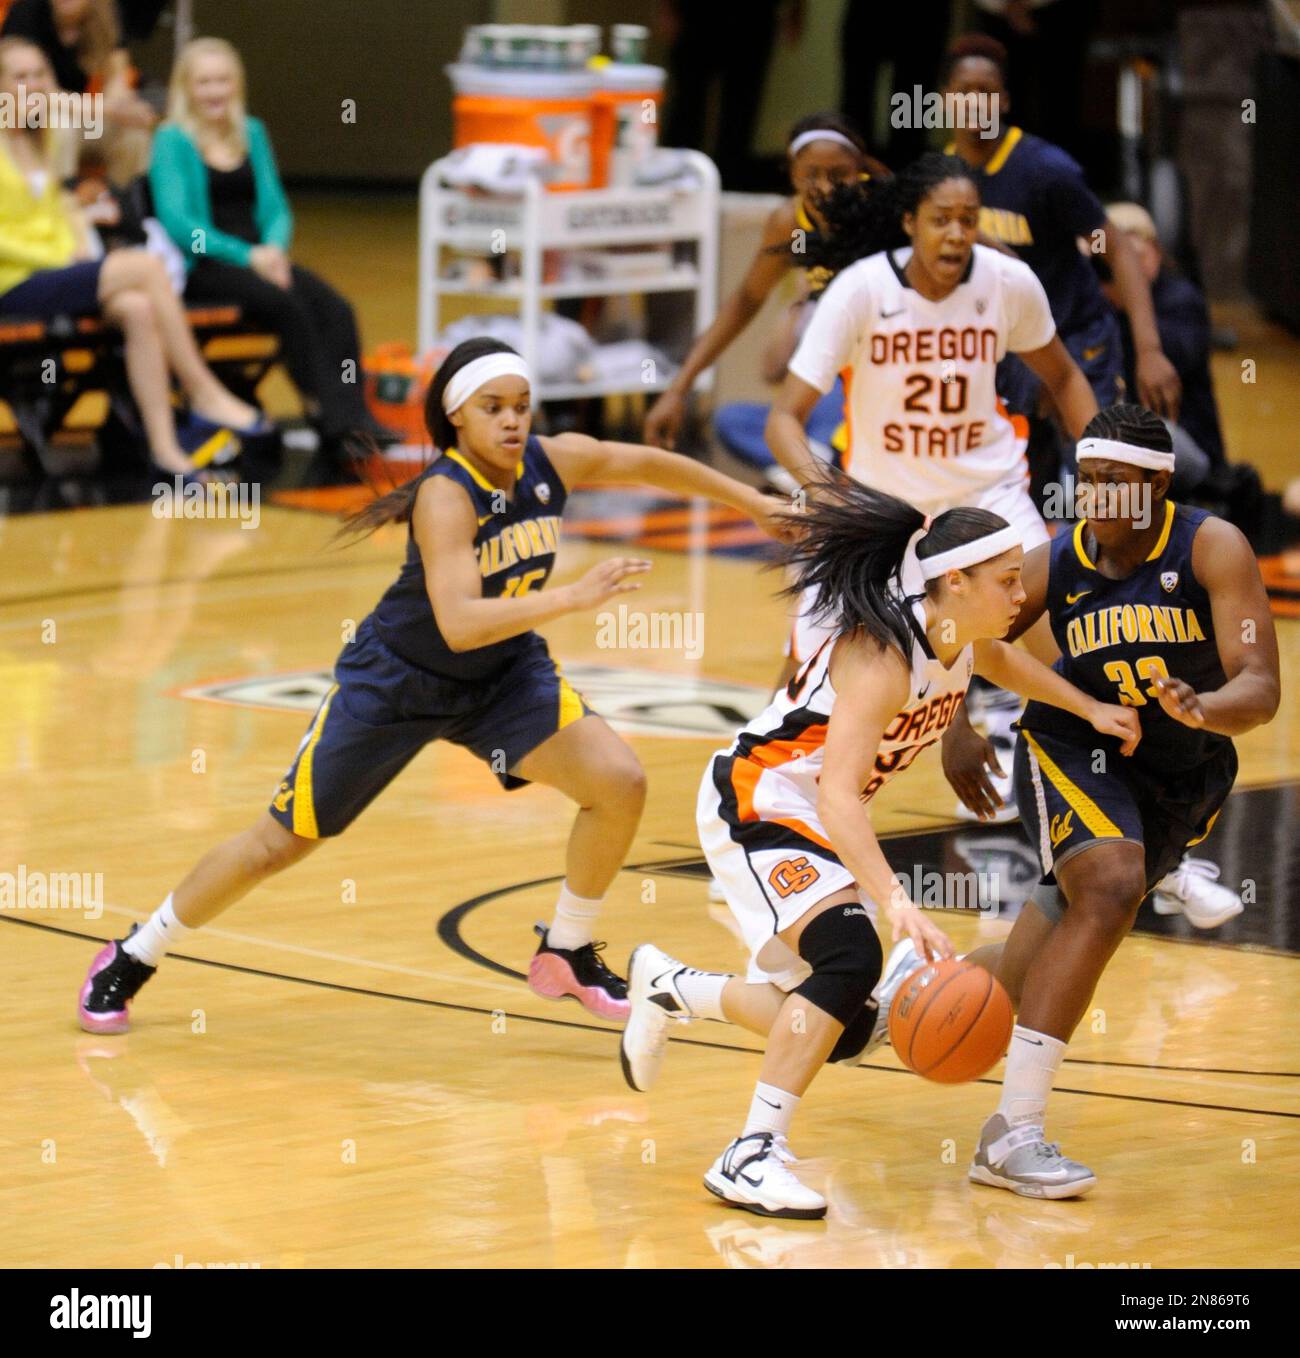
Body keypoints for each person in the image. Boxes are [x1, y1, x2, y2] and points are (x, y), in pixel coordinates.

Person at [76, 338, 791, 1035]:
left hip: (503, 675)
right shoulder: (445, 495)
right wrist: (572, 598)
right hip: (397, 683)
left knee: (619, 782)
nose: (513, 421)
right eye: (493, 408)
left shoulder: (549, 461)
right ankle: (136, 952)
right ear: (457, 417)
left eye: (521, 406)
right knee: (277, 845)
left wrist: (751, 501)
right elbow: (458, 624)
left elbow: (647, 463)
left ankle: (567, 949)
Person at [617, 474, 1140, 1220]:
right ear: (954, 582)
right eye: (1006, 581)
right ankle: (749, 1153)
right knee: (851, 958)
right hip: (761, 799)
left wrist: (1089, 706)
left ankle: (671, 986)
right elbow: (832, 793)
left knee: (851, 1024)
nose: (1022, 594)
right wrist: (895, 902)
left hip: (816, 815)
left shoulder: (960, 636)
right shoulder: (882, 653)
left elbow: (999, 661)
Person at [930, 404, 1280, 1195]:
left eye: (1113, 482)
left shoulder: (1212, 547)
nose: (1093, 496)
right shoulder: (1057, 560)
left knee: (1027, 969)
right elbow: (965, 633)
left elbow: (1262, 688)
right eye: (1085, 479)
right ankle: (1012, 1134)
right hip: (1071, 746)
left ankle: (890, 1004)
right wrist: (955, 724)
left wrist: (1204, 707)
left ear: (1157, 484)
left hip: (1178, 770)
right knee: (1115, 883)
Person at [767, 152, 1098, 814]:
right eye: (941, 219)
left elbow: (1062, 375)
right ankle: (766, 811)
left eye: (968, 220)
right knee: (807, 680)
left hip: (989, 497)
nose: (955, 233)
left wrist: (1100, 469)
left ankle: (1112, 816)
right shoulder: (862, 290)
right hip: (884, 511)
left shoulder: (1007, 283)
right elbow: (783, 417)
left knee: (1061, 643)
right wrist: (826, 498)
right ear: (911, 222)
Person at [0, 35, 266, 476]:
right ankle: (202, 391)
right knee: (143, 266)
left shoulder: (39, 140)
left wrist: (73, 244)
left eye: (39, 75)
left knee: (138, 308)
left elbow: (52, 212)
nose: (32, 86)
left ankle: (166, 451)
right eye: (19, 77)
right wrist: (56, 258)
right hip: (13, 283)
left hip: (52, 274)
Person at [149, 37, 396, 472]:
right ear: (186, 88)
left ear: (236, 84)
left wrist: (275, 252)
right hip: (207, 263)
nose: (214, 92)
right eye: (203, 82)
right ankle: (332, 419)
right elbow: (180, 224)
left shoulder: (252, 131)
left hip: (262, 258)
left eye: (222, 81)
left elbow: (275, 205)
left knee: (335, 308)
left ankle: (355, 414)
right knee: (287, 307)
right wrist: (250, 258)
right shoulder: (171, 140)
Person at [941, 35, 1182, 436]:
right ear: (945, 99)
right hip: (1002, 350)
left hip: (1074, 339)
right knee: (1021, 483)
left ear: (1004, 100)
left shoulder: (1045, 170)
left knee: (1089, 471)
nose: (975, 104)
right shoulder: (942, 177)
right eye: (964, 92)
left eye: (986, 93)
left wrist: (1149, 350)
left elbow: (1117, 249)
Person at [644, 111, 885, 453]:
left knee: (827, 399)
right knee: (734, 420)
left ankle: (817, 463)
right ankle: (817, 461)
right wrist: (677, 390)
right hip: (832, 372)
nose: (825, 188)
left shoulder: (885, 210)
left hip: (887, 368)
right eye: (811, 175)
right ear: (792, 174)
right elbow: (745, 301)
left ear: (859, 172)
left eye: (838, 175)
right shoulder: (789, 224)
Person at [1103, 202, 1224, 482]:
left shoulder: (1182, 300)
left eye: (1138, 258)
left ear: (1156, 252)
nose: (1128, 273)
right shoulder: (1095, 301)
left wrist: (1127, 311)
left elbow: (1179, 357)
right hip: (1116, 430)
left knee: (1132, 436)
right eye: (1120, 264)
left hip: (1186, 442)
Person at [1, 0, 155, 183]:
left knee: (133, 132)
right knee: (61, 125)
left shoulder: (106, 15)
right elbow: (38, 93)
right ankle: (61, 199)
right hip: (22, 117)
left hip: (83, 113)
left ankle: (122, 203)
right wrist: (106, 108)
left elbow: (117, 76)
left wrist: (123, 108)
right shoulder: (26, 14)